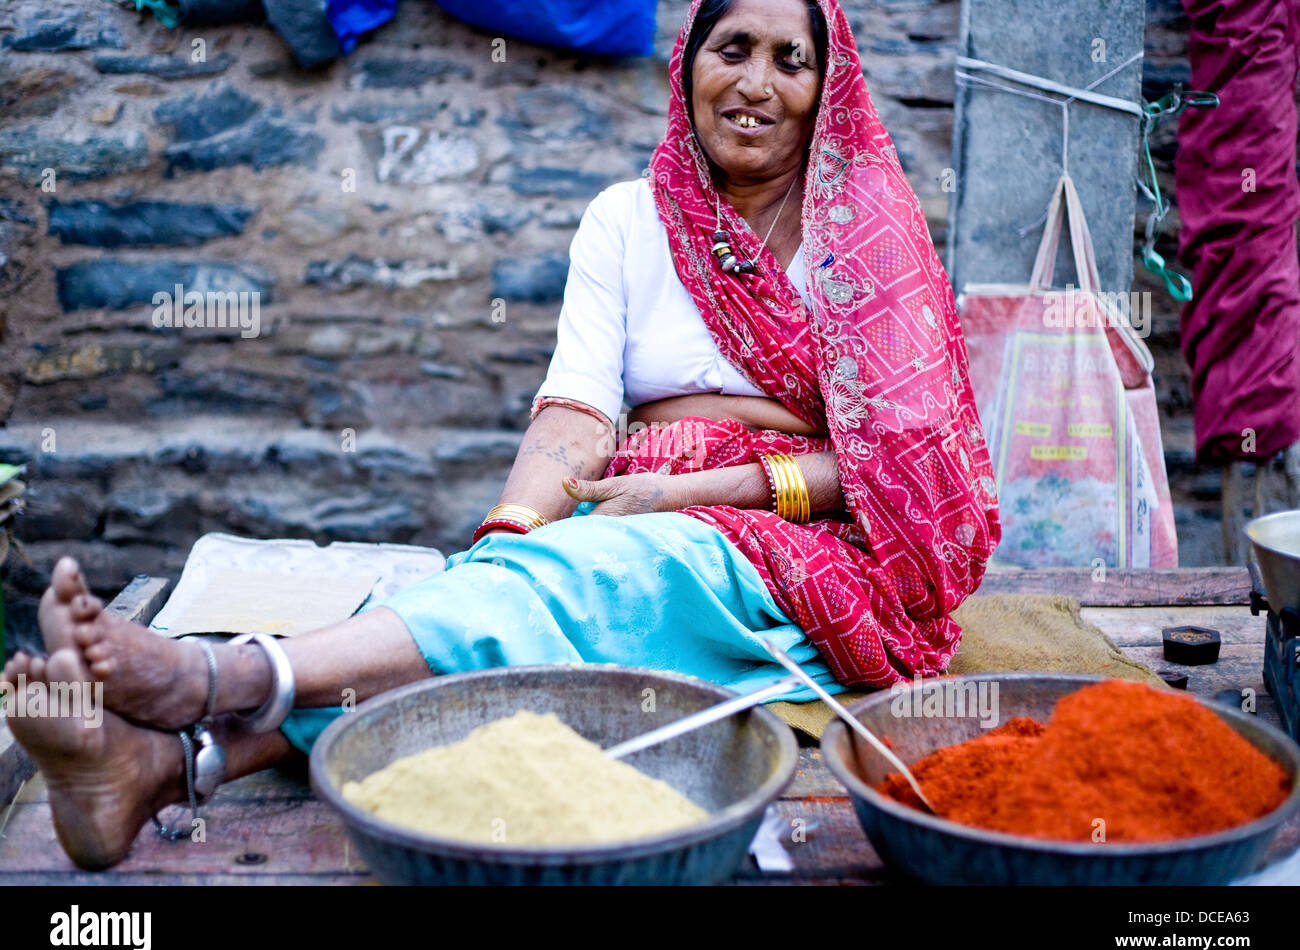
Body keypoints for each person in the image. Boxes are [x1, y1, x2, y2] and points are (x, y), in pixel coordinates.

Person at [2, 0, 999, 871]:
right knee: (503, 592)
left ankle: (216, 678)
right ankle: (166, 766)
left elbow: (912, 469)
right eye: (731, 46)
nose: (755, 82)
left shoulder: (867, 242)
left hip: (815, 554)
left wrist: (709, 492)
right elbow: (576, 412)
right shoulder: (627, 219)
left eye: (793, 59)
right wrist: (514, 530)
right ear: (687, 64)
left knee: (597, 574)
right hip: (634, 518)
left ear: (830, 87)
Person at [1175, 0, 1300, 561]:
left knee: (1267, 295)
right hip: (1228, 127)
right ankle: (1243, 562)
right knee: (1239, 286)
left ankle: (1266, 552)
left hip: (1260, 129)